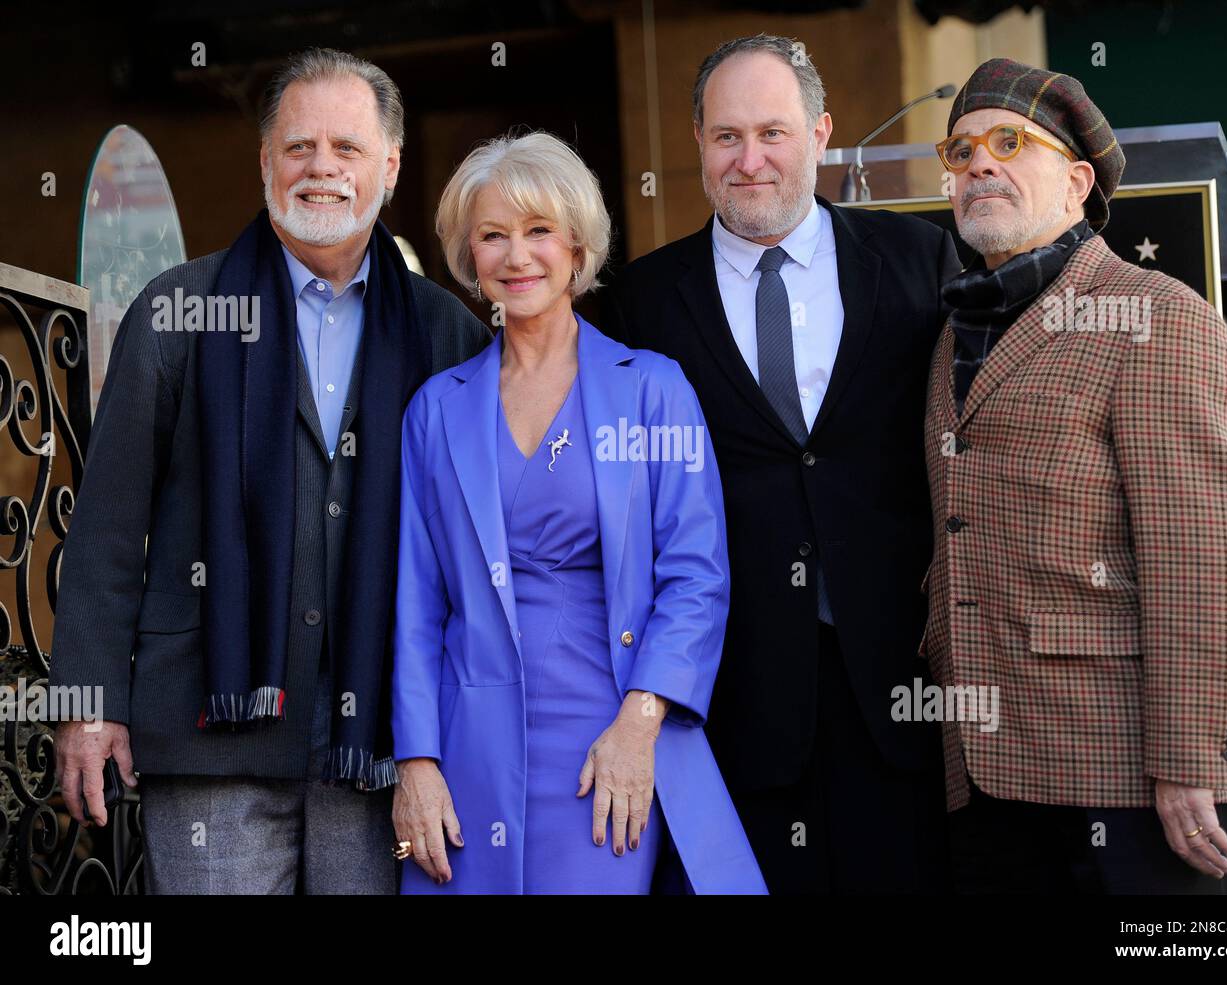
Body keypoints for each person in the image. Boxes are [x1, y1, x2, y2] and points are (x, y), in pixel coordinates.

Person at [49, 48, 489, 894]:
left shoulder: (446, 334)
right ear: (264, 162)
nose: (321, 168)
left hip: (377, 743)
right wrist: (89, 701)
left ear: (390, 168)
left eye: (347, 149)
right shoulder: (179, 309)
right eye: (298, 147)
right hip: (208, 734)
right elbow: (106, 524)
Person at [604, 33, 962, 894]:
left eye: (773, 132)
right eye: (727, 136)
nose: (749, 158)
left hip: (902, 690)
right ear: (696, 142)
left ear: (821, 133)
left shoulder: (922, 263)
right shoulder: (639, 303)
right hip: (730, 702)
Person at [390, 131, 766, 894]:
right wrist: (417, 762)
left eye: (537, 232)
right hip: (469, 754)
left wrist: (641, 721)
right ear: (470, 253)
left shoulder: (654, 390)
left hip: (608, 740)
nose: (516, 255)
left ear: (576, 245)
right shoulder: (435, 410)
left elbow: (697, 578)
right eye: (493, 235)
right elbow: (417, 604)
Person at [923, 57, 1227, 893]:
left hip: (1127, 780)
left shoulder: (1157, 315)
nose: (979, 165)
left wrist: (1188, 761)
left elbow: (1202, 560)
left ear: (1077, 183)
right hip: (981, 777)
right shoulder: (954, 330)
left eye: (1008, 142)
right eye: (960, 152)